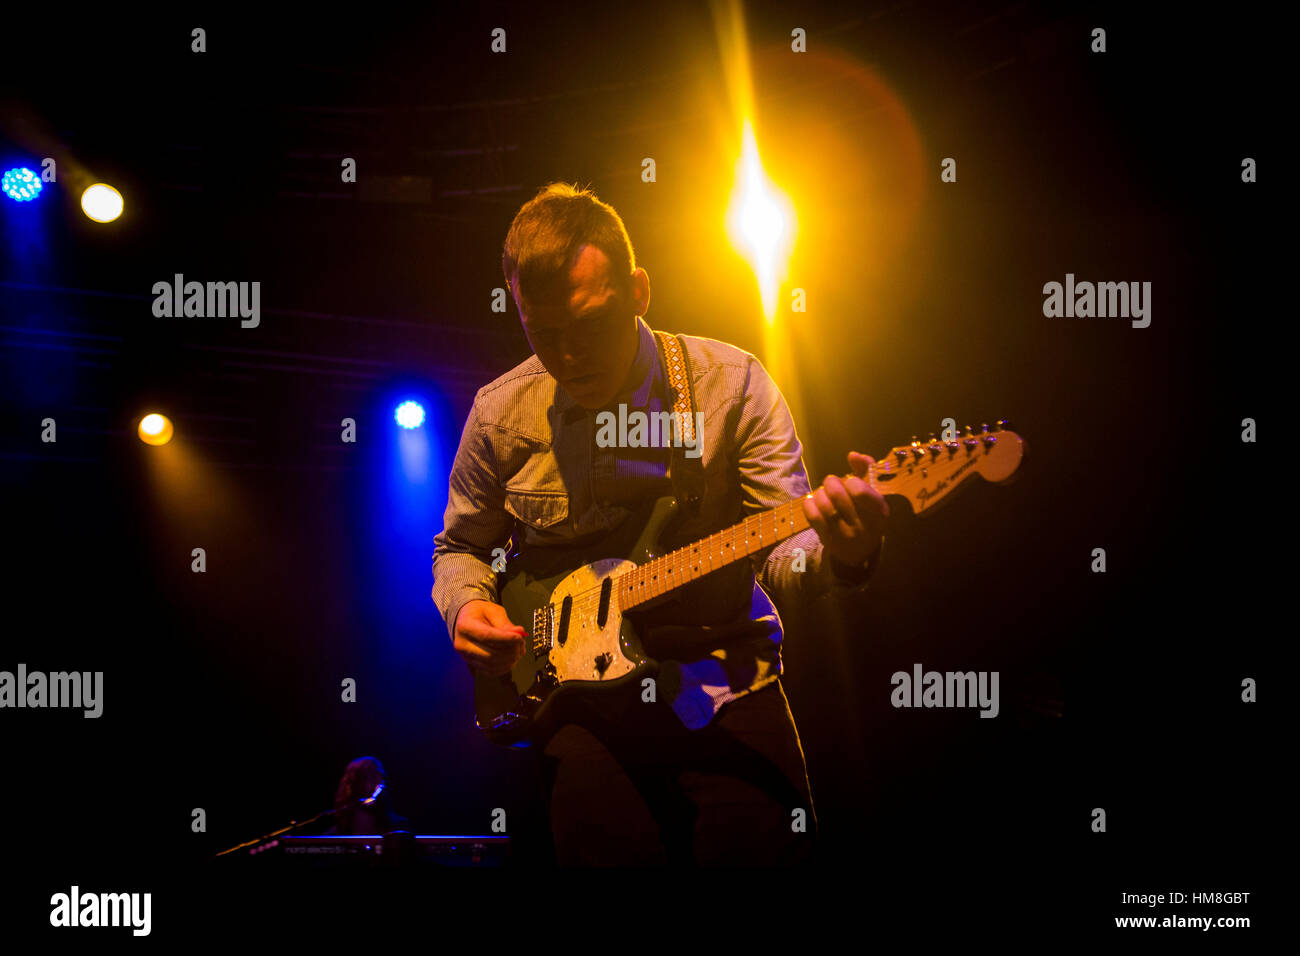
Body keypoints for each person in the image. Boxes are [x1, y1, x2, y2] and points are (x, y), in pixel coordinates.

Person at [431, 182, 887, 866]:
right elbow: (461, 547)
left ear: (639, 290)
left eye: (589, 325)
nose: (569, 354)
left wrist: (845, 552)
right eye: (543, 333)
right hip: (581, 711)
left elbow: (785, 552)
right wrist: (467, 606)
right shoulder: (500, 415)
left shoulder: (731, 386)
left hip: (728, 686)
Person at [323, 756, 409, 836]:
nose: (380, 781)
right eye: (373, 775)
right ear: (355, 782)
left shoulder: (400, 828)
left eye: (381, 776)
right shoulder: (333, 836)